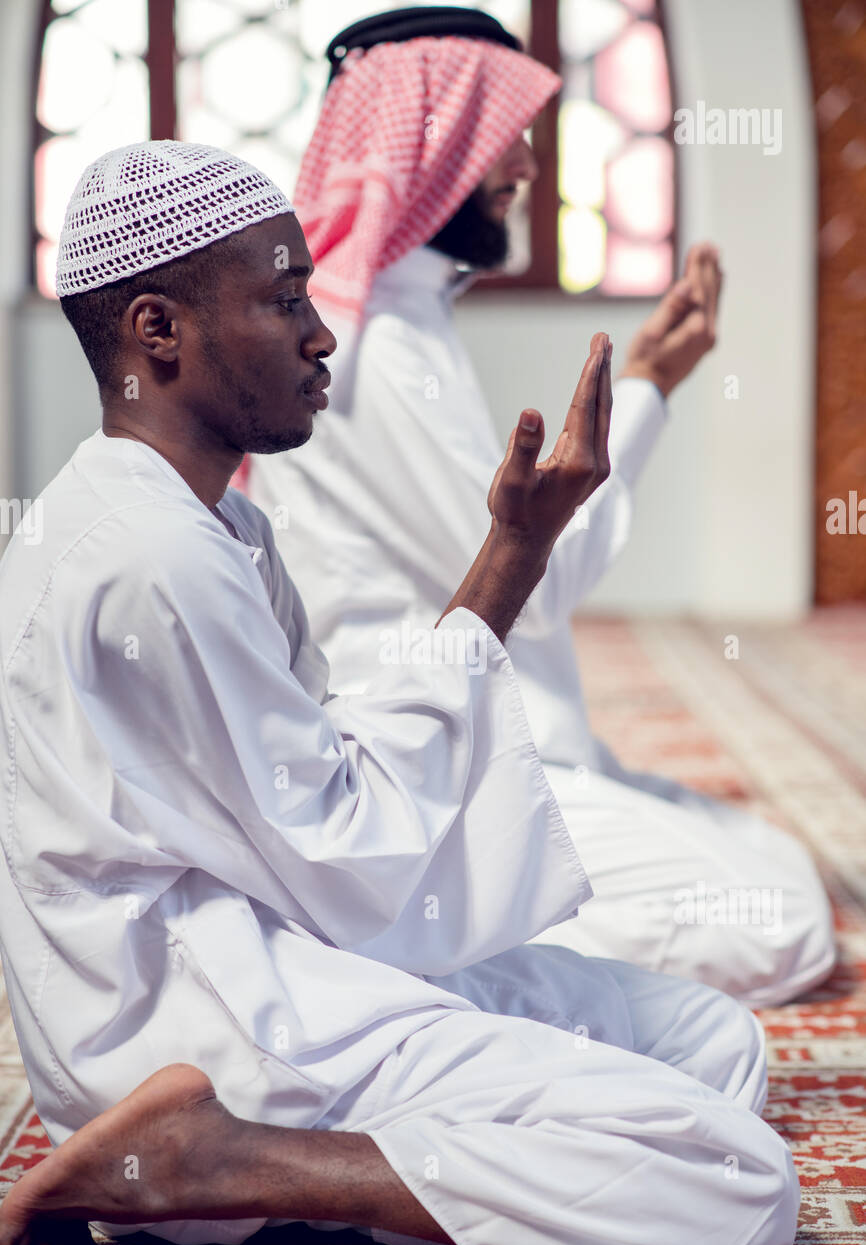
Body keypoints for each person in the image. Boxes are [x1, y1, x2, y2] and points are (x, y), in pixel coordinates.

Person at [0, 137, 797, 1245]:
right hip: (200, 1023)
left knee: (714, 1046)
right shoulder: (152, 557)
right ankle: (214, 1162)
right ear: (157, 332)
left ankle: (380, 1178)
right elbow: (344, 848)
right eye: (282, 302)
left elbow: (314, 798)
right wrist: (513, 554)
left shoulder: (203, 524)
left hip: (281, 945)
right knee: (734, 1177)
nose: (320, 334)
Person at [249, 6, 835, 1007]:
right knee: (778, 928)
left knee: (779, 865)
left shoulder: (406, 317)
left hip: (508, 742)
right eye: (504, 135)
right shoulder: (374, 347)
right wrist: (645, 388)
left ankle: (447, 914)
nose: (522, 163)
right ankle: (399, 938)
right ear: (434, 147)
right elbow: (542, 580)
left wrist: (647, 382)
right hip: (430, 761)